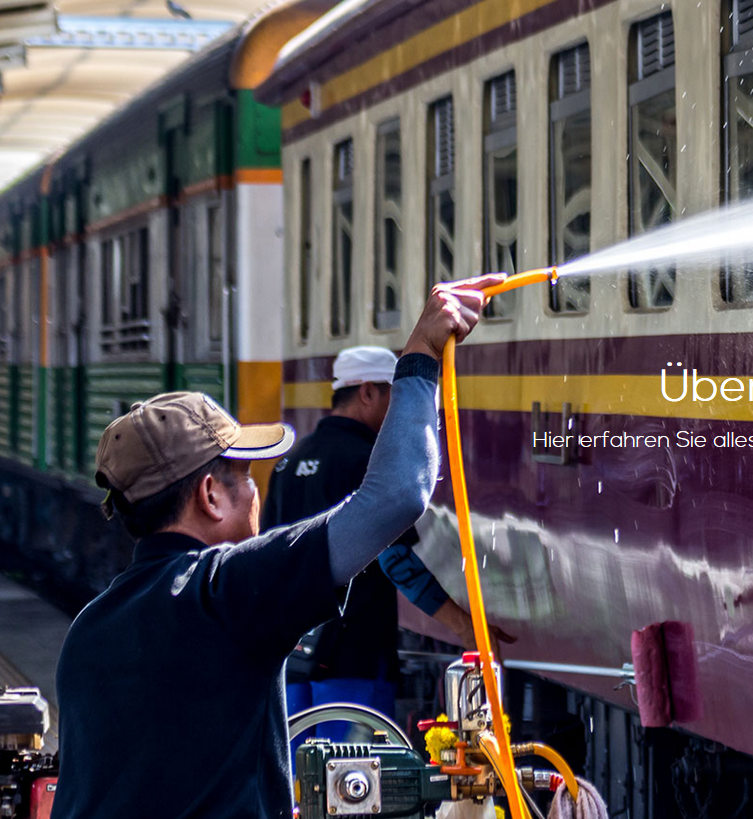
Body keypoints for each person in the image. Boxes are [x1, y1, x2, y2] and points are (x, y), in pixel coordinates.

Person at [51, 275, 504, 819]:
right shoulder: (226, 590)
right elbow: (398, 496)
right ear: (211, 495)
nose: (255, 493)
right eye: (245, 478)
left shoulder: (90, 629)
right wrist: (422, 352)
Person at [262, 345, 512, 737]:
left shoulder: (288, 463)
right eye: (394, 396)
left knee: (299, 784)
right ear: (367, 392)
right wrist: (464, 626)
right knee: (352, 779)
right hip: (353, 658)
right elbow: (395, 561)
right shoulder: (367, 462)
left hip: (294, 660)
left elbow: (269, 555)